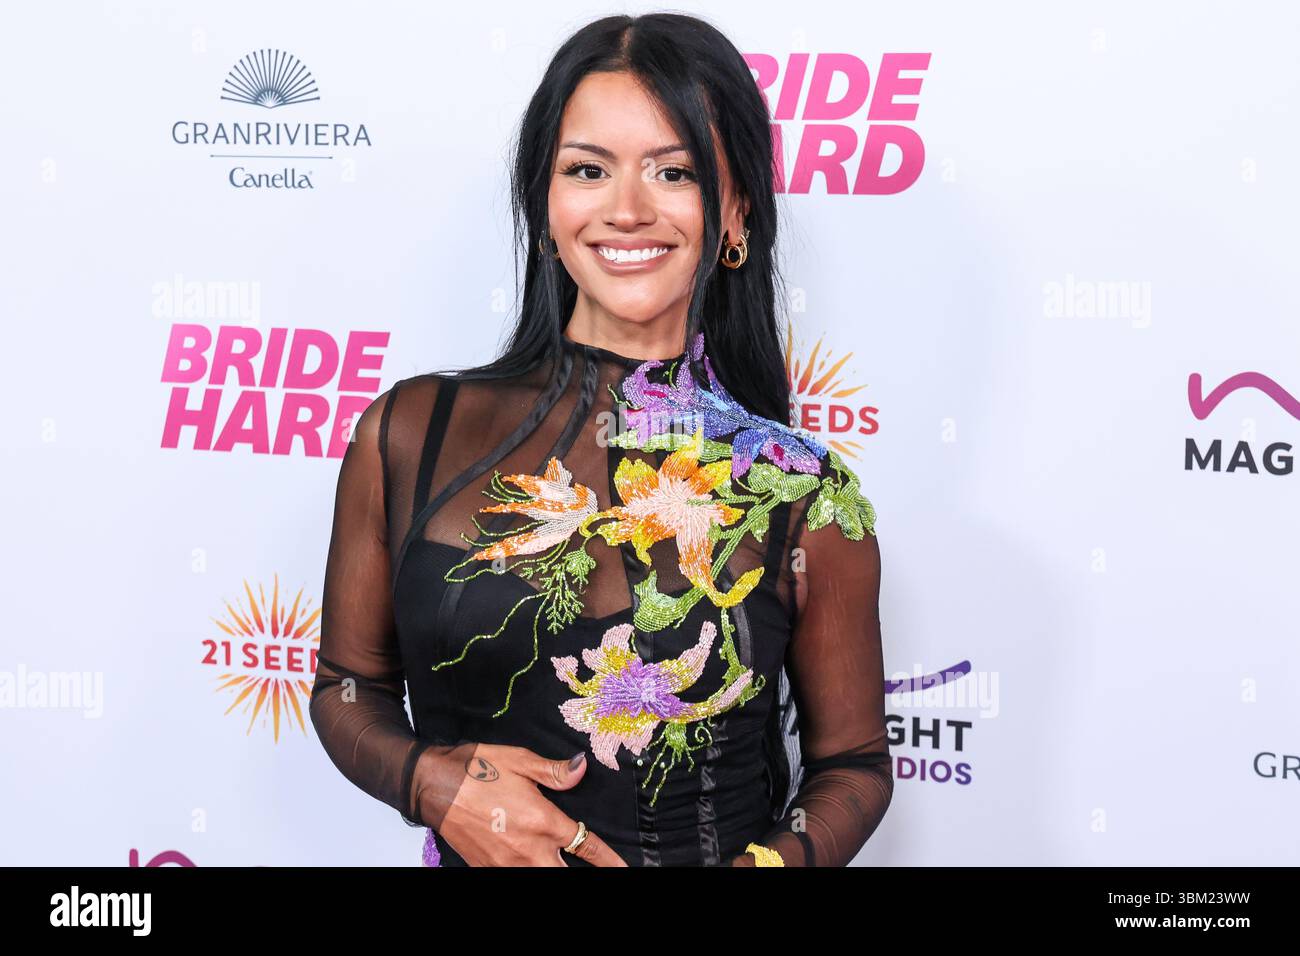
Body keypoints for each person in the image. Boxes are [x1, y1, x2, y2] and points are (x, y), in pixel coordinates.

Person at [308, 11, 893, 867]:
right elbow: (346, 687)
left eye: (675, 171)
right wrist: (430, 783)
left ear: (734, 212)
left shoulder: (801, 491)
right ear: (545, 205)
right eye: (588, 169)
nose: (627, 210)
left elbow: (854, 768)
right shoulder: (406, 430)